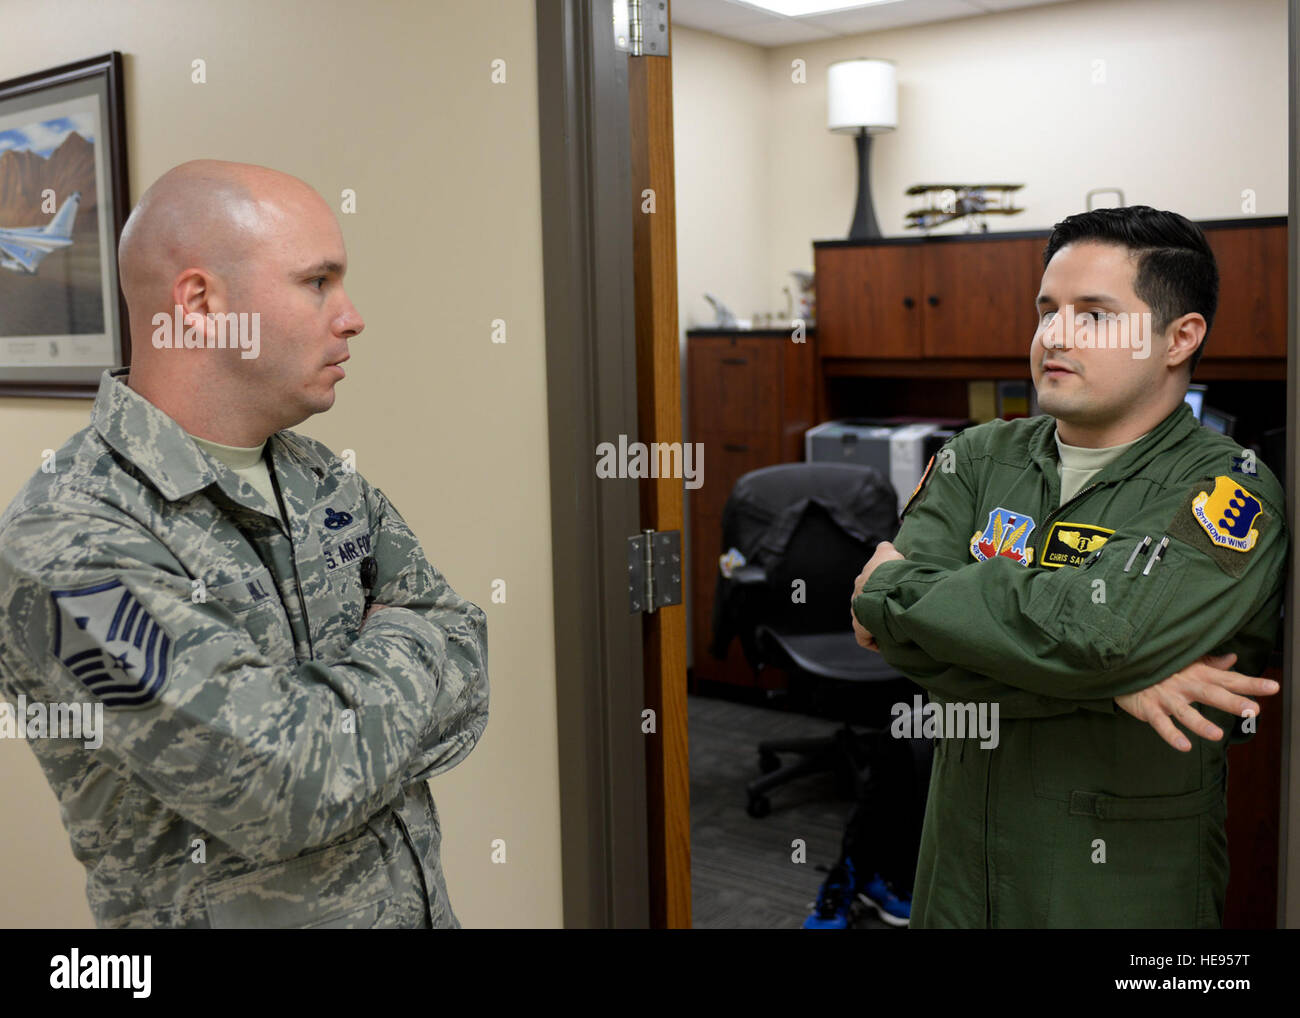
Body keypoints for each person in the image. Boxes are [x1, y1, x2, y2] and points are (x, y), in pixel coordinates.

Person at [0, 160, 488, 928]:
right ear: (200, 303)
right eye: (317, 281)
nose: (352, 315)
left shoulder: (321, 476)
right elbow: (287, 788)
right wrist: (401, 652)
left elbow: (469, 647)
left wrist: (334, 719)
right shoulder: (64, 546)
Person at [849, 205, 1286, 928]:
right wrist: (1115, 685)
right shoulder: (978, 456)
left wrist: (899, 591)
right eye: (1046, 310)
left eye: (1093, 314)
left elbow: (1099, 636)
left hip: (1111, 885)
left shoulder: (1225, 489)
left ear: (1180, 338)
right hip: (958, 870)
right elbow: (897, 641)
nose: (1054, 334)